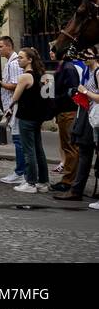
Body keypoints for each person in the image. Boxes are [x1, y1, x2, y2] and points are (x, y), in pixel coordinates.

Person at [56, 46, 99, 205]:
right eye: (83, 53)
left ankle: (77, 190)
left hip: (94, 118)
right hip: (88, 116)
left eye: (88, 54)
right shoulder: (88, 72)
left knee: (85, 153)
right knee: (84, 152)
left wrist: (85, 92)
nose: (85, 57)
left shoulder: (97, 72)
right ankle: (76, 189)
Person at [6, 47, 51, 194]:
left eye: (21, 57)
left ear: (29, 60)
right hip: (38, 117)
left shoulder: (25, 77)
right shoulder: (44, 75)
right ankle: (43, 182)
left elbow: (15, 97)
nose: (18, 60)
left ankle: (30, 182)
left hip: (26, 116)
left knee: (28, 150)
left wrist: (8, 109)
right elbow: (48, 97)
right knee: (39, 149)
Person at [0, 36, 25, 185]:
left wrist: (0, 83)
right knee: (19, 139)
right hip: (13, 106)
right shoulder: (11, 63)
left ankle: (20, 172)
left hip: (15, 106)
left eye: (0, 46)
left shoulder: (14, 64)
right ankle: (21, 170)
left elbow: (17, 85)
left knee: (18, 140)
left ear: (8, 46)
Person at [51, 46, 83, 192]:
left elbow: (72, 90)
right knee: (66, 146)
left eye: (54, 50)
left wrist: (56, 99)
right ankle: (68, 179)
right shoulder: (62, 66)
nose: (51, 53)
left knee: (70, 147)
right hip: (63, 111)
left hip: (68, 111)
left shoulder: (68, 68)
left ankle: (69, 180)